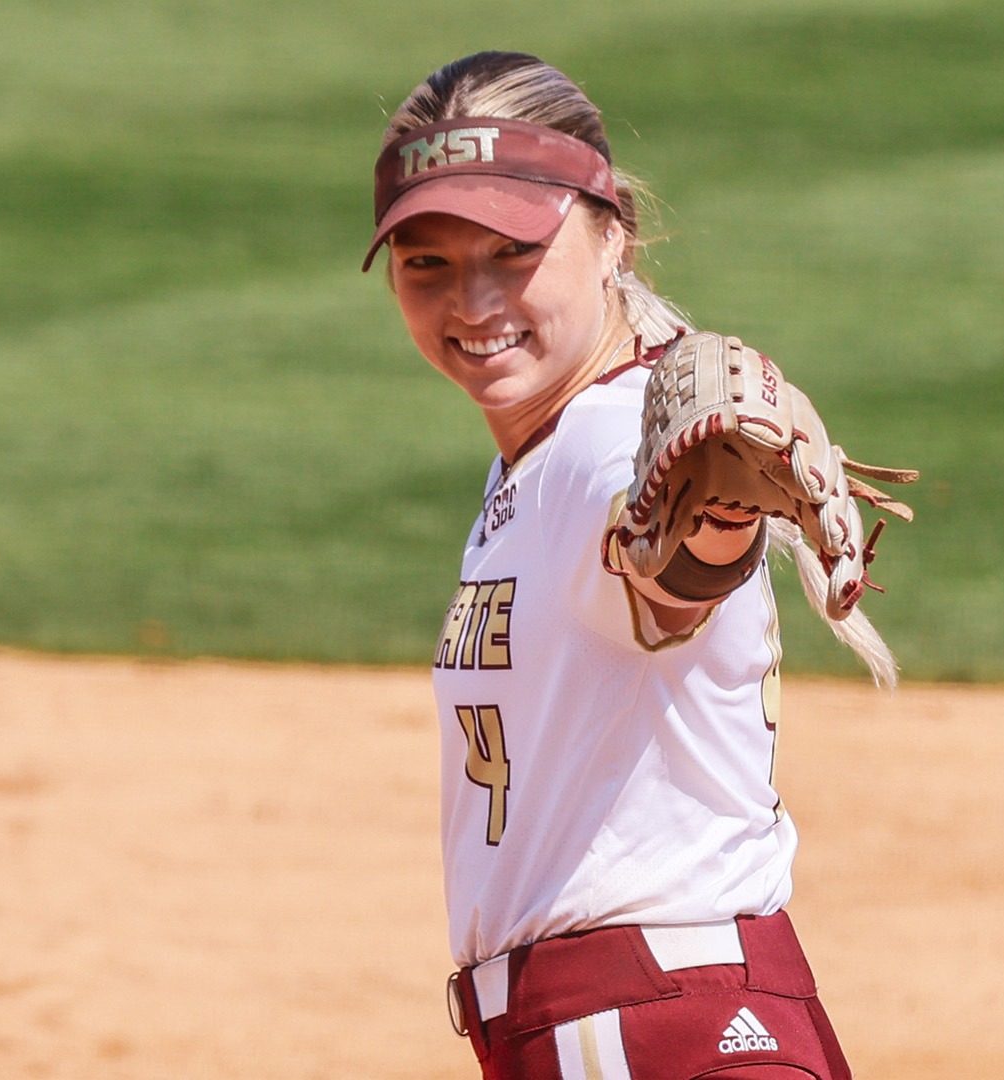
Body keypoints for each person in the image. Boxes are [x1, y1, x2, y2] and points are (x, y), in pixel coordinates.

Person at [364, 51, 904, 1080]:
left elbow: (664, 572)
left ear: (613, 234)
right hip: (636, 1026)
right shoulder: (543, 445)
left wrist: (717, 521)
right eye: (425, 261)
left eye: (512, 251)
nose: (472, 301)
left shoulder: (607, 444)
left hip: (657, 1035)